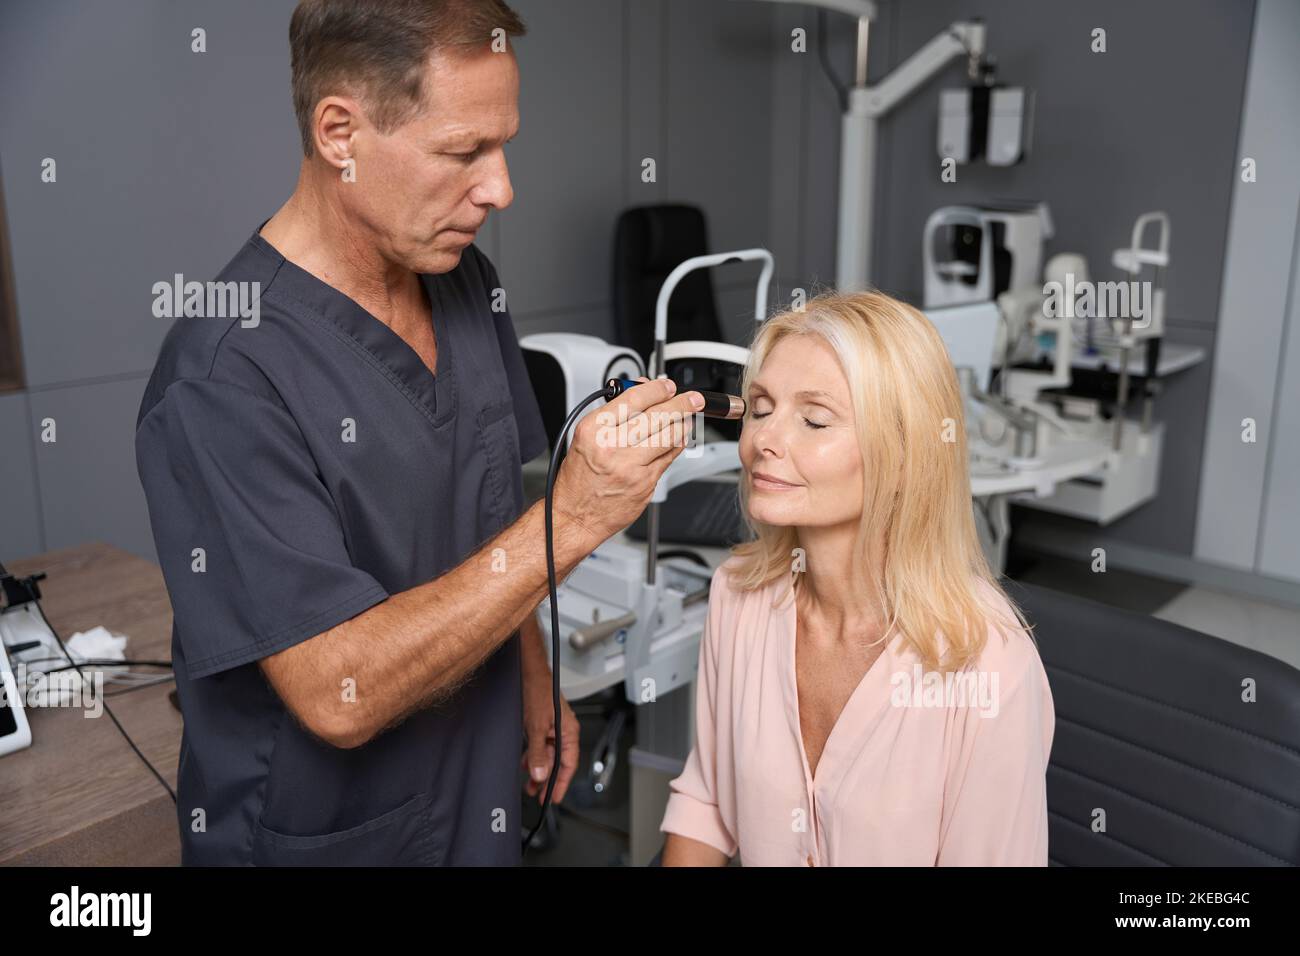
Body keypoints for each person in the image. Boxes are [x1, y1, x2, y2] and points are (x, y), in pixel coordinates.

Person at [135, 0, 703, 865]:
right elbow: (340, 691)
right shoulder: (224, 376)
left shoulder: (463, 280)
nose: (501, 187)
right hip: (331, 832)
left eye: (504, 144)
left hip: (475, 795)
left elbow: (486, 507)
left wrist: (537, 682)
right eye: (463, 151)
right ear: (340, 133)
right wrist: (578, 517)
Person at [660, 290, 1055, 866]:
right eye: (763, 408)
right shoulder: (739, 595)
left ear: (903, 451)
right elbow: (707, 806)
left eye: (814, 420)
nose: (764, 440)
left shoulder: (989, 665)